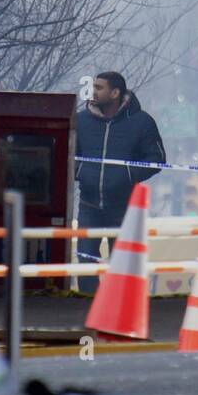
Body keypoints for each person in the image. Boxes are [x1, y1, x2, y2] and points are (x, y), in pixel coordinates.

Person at [75, 71, 166, 291]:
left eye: (99, 87)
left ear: (115, 93)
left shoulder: (142, 122)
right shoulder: (81, 120)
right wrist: (81, 172)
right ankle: (87, 306)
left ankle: (118, 308)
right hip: (88, 204)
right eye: (93, 86)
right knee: (86, 260)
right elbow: (69, 154)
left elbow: (157, 160)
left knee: (123, 262)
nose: (93, 91)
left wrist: (126, 175)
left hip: (124, 206)